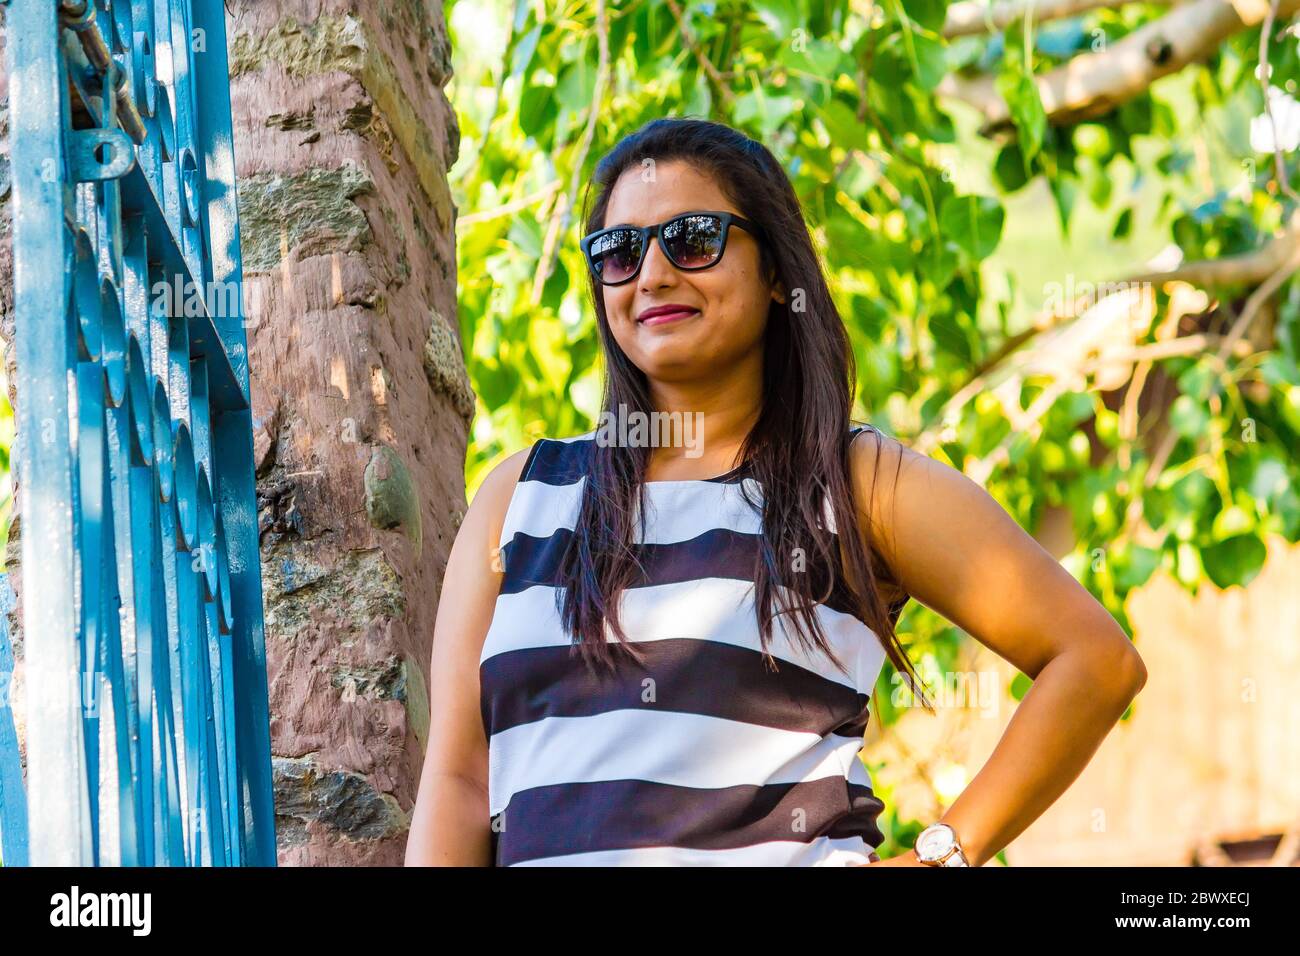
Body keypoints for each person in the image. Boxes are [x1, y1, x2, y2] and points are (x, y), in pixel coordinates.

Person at [405, 117, 1147, 867]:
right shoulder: (519, 497)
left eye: (693, 239)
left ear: (773, 274)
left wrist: (939, 858)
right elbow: (462, 780)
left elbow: (1093, 660)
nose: (653, 274)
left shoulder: (854, 482)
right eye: (620, 253)